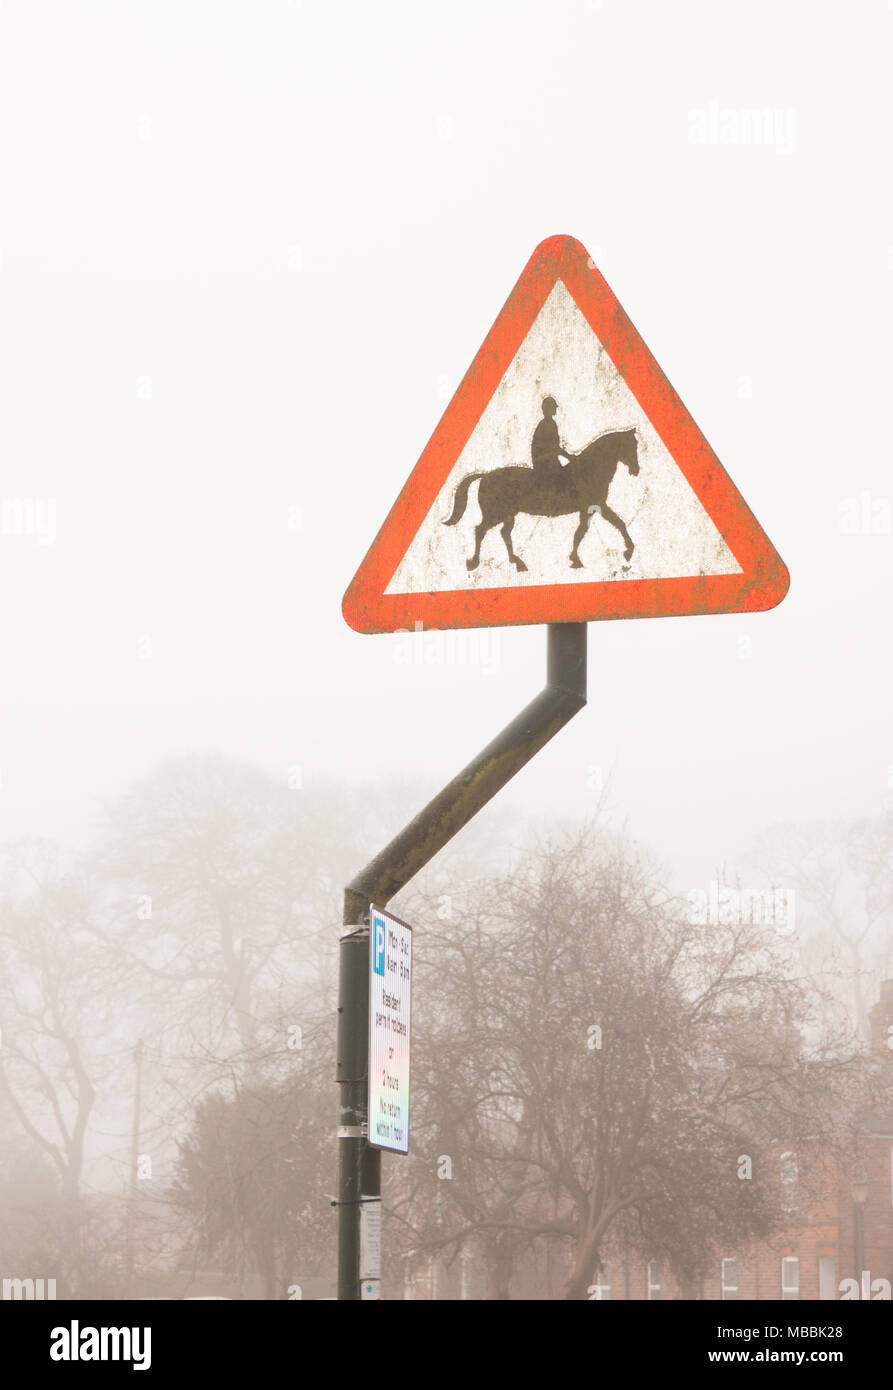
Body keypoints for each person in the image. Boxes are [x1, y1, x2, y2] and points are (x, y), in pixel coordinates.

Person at [530, 397, 572, 478]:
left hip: (548, 459)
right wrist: (569, 457)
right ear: (548, 409)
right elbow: (554, 447)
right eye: (553, 407)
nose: (555, 409)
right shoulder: (547, 424)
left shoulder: (550, 423)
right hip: (544, 462)